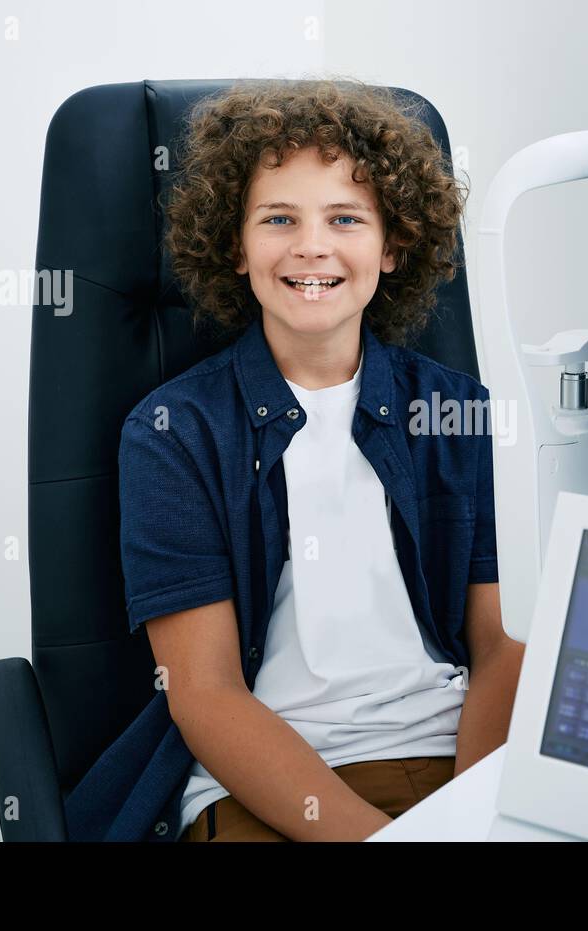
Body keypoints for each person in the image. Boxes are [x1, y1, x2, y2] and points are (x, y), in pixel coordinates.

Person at [113, 77, 523, 842]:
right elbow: (204, 693)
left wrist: (470, 820)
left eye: (345, 218)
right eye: (278, 218)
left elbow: (502, 642)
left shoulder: (462, 413)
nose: (312, 245)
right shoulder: (172, 433)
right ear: (234, 246)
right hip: (264, 785)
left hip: (452, 765)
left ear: (392, 243)